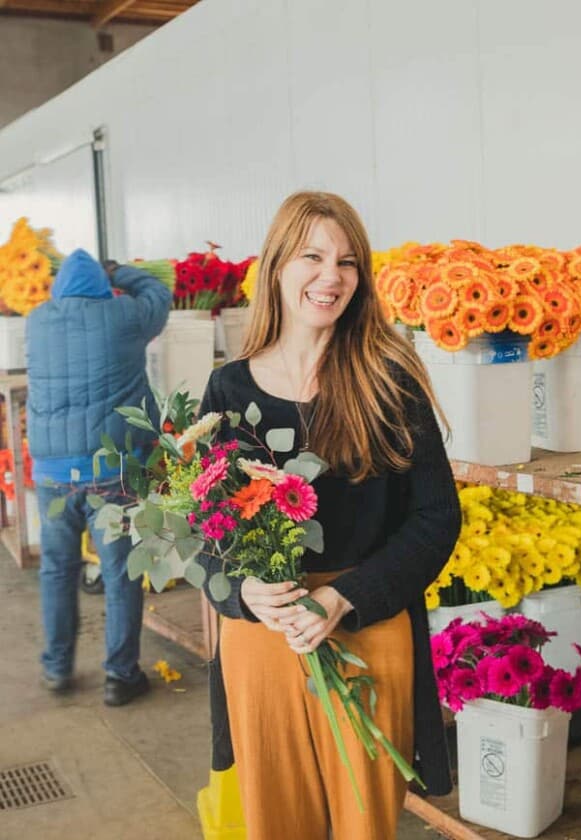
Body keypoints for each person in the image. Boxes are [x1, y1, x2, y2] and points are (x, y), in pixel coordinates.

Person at [199, 191, 462, 839]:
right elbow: (205, 531)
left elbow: (436, 518)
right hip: (263, 636)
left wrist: (344, 598)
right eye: (313, 256)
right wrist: (243, 590)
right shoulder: (228, 390)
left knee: (363, 824)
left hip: (365, 631)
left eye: (347, 262)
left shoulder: (387, 379)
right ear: (279, 267)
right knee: (277, 823)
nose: (331, 276)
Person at [26, 248, 172, 706]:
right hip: (109, 470)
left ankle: (56, 667)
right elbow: (159, 293)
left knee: (56, 570)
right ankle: (120, 676)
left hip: (52, 473)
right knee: (119, 573)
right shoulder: (125, 314)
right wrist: (121, 274)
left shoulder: (36, 321)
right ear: (102, 285)